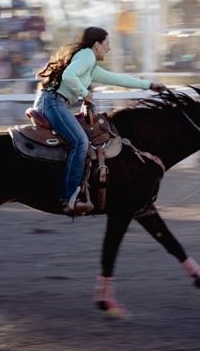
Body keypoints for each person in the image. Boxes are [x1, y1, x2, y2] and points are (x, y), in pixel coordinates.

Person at [34, 26, 166, 216]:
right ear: (97, 44)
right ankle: (69, 197)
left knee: (79, 141)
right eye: (107, 43)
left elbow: (117, 79)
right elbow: (69, 76)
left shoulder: (90, 65)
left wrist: (149, 85)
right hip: (53, 103)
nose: (109, 48)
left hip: (52, 102)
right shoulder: (87, 55)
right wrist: (84, 93)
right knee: (80, 142)